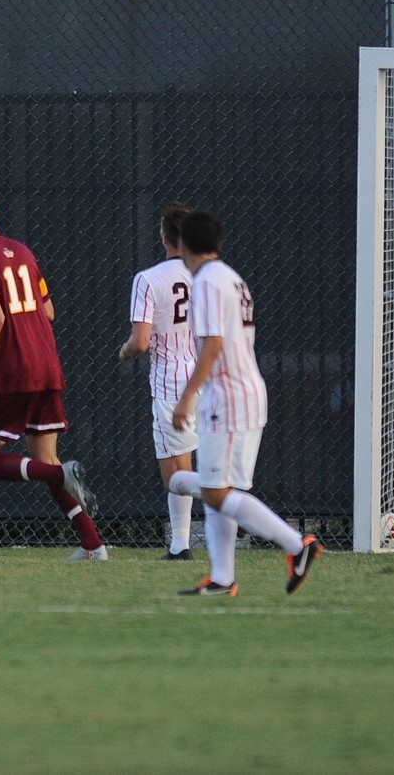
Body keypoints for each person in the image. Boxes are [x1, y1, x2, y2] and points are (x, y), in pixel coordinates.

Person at [166, 210, 323, 596]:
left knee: (217, 492)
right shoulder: (231, 277)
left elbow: (213, 344)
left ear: (183, 244)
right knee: (223, 489)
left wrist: (186, 398)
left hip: (229, 398)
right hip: (243, 393)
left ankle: (297, 545)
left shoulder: (206, 282)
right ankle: (222, 578)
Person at [0, 184, 107, 561]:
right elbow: (46, 312)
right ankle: (93, 546)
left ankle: (61, 475)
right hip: (47, 365)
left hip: (15, 370)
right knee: (45, 460)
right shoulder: (22, 251)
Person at [120, 200, 200, 560]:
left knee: (176, 475)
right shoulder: (207, 276)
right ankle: (180, 545)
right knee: (188, 467)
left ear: (164, 237)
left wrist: (123, 352)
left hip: (172, 382)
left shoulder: (149, 279)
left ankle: (230, 497)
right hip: (206, 377)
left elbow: (139, 342)